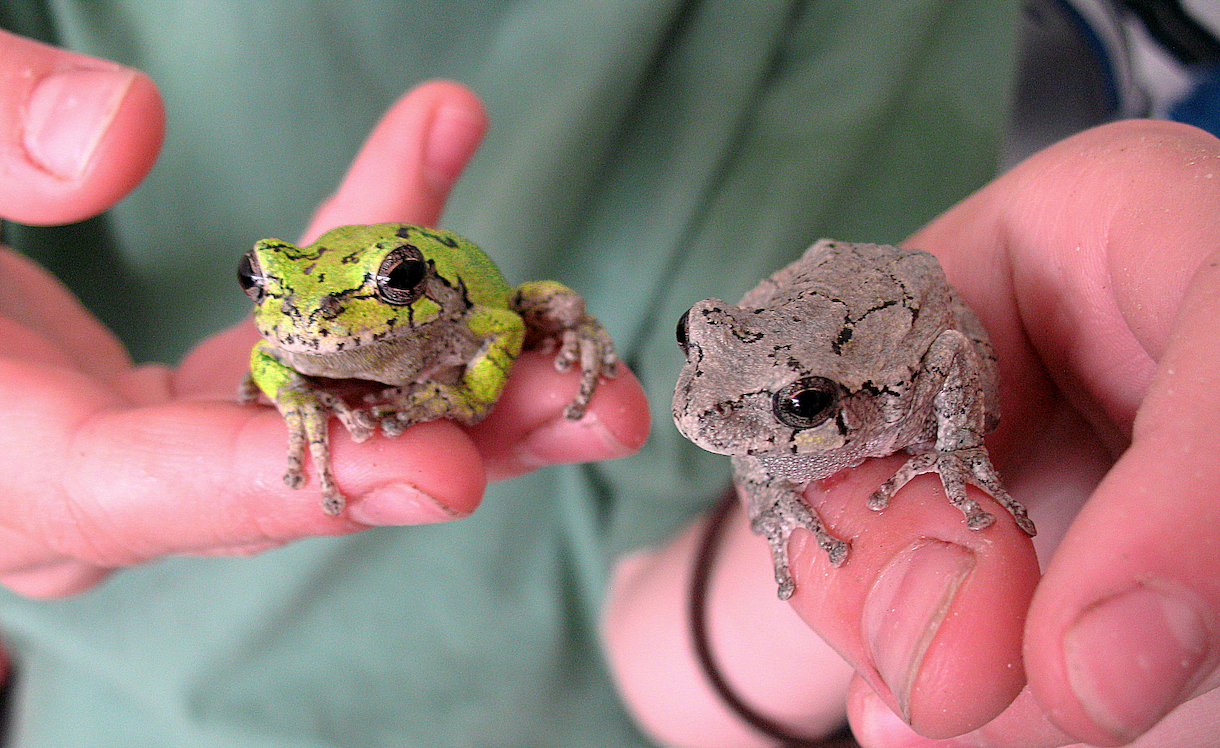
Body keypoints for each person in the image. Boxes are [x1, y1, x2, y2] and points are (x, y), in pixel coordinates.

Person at [0, 2, 1216, 747]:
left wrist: (944, 531)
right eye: (261, 287)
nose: (301, 322)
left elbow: (514, 355)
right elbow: (276, 346)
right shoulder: (287, 322)